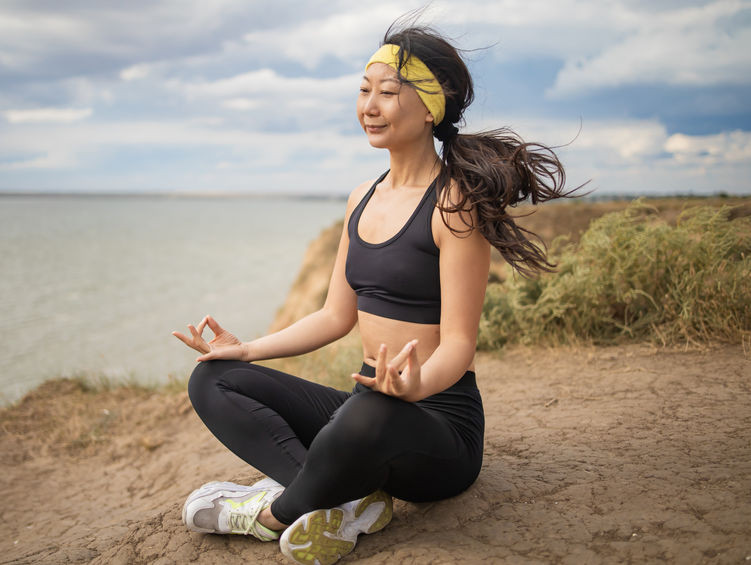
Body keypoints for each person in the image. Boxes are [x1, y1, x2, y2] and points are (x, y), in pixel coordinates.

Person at [173, 22, 575, 565]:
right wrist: (246, 349)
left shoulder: (454, 206)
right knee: (214, 379)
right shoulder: (361, 197)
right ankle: (336, 503)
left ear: (430, 107)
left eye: (388, 92)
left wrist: (415, 388)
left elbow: (458, 344)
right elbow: (335, 316)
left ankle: (271, 516)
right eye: (365, 90)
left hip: (437, 427)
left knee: (368, 414)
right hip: (370, 407)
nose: (370, 105)